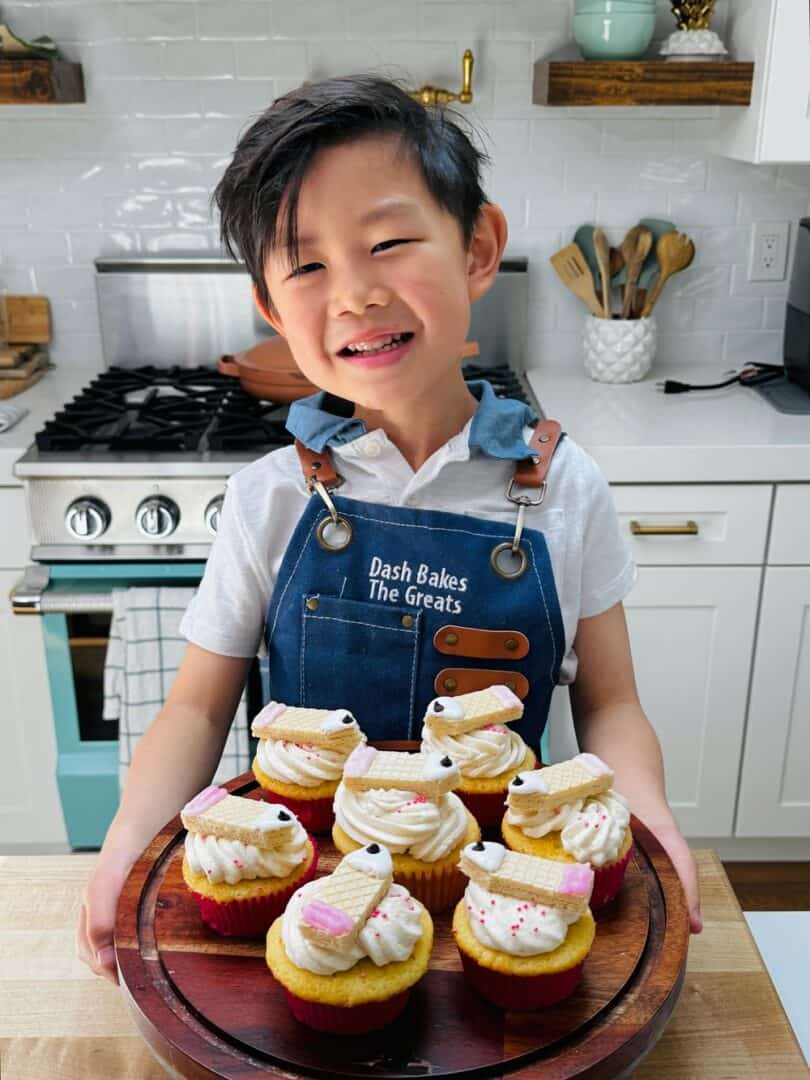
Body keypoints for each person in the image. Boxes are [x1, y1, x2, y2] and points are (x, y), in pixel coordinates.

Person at [78, 74, 702, 983]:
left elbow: (609, 703)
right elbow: (197, 708)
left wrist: (649, 823)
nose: (355, 293)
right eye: (307, 265)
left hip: (509, 895)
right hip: (316, 904)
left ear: (479, 248)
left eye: (390, 243)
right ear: (270, 304)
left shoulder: (565, 489)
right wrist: (128, 842)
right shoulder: (270, 497)